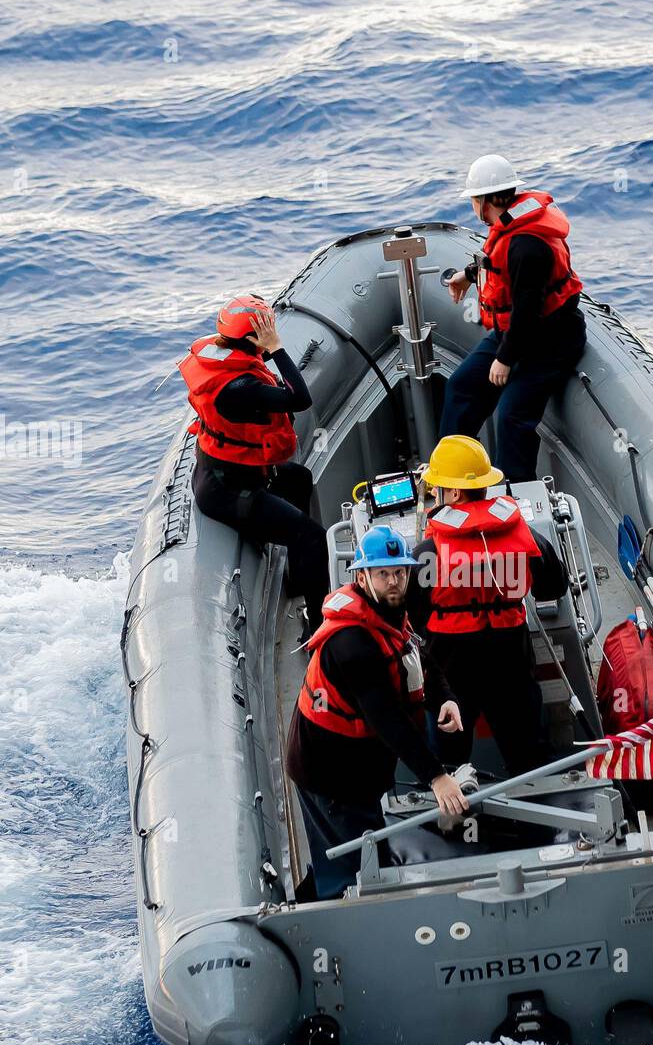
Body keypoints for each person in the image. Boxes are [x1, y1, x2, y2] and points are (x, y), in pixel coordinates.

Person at [286, 526, 470, 899]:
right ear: (362, 576)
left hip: (359, 767)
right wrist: (437, 778)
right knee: (352, 868)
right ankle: (328, 907)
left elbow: (417, 655)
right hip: (329, 771)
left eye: (400, 572)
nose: (394, 582)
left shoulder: (390, 613)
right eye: (383, 573)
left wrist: (445, 697)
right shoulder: (351, 643)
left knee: (359, 844)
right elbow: (386, 718)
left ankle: (320, 882)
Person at [406, 435, 568, 777]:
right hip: (510, 661)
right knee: (528, 755)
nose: (434, 495)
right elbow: (554, 585)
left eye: (437, 489)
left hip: (452, 669)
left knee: (450, 764)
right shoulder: (524, 537)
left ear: (454, 493)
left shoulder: (427, 555)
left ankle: (454, 817)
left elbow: (413, 619)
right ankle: (539, 812)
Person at [180, 294, 329, 624]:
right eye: (265, 332)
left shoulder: (224, 357)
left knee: (299, 480)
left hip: (240, 471)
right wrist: (276, 348)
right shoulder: (240, 387)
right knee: (312, 537)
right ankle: (320, 626)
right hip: (229, 491)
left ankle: (298, 576)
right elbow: (298, 398)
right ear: (252, 339)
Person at [440, 155, 587, 483]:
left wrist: (505, 359)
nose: (473, 206)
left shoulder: (527, 246)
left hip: (549, 340)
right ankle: (452, 474)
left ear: (488, 201)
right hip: (515, 333)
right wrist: (466, 276)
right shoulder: (511, 224)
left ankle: (515, 494)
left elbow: (528, 312)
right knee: (461, 387)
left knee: (512, 416)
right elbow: (496, 262)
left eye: (474, 200)